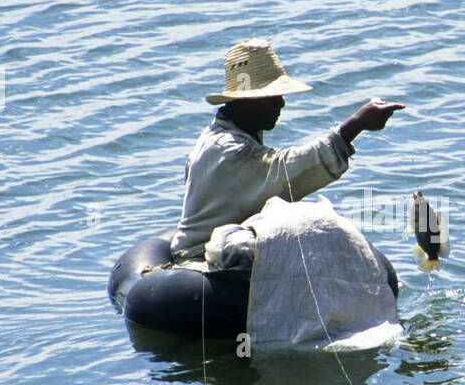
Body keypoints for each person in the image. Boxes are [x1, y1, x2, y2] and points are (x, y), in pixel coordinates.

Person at [171, 38, 403, 265]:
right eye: (272, 98)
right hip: (201, 256)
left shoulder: (228, 133)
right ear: (246, 102)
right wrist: (354, 126)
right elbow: (285, 169)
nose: (281, 104)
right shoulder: (228, 150)